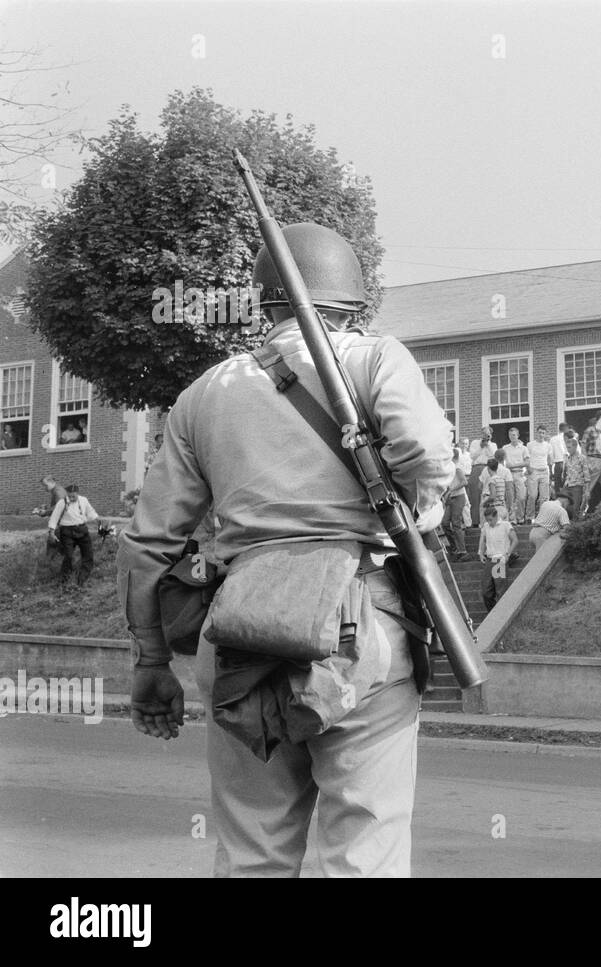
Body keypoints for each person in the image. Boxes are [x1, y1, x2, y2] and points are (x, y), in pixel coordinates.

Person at [120, 222, 454, 877]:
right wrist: (412, 506)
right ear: (354, 305)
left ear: (263, 304)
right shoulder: (374, 357)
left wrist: (150, 661)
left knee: (252, 856)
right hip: (360, 624)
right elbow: (426, 451)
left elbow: (145, 548)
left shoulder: (203, 394)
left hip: (241, 626)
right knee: (361, 855)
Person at [48, 483, 99, 586]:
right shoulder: (62, 503)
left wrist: (98, 521)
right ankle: (64, 579)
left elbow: (91, 512)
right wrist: (52, 532)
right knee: (69, 556)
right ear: (67, 494)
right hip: (67, 532)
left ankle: (82, 579)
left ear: (77, 493)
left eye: (73, 496)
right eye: (69, 496)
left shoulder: (84, 500)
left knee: (88, 555)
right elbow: (54, 517)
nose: (71, 498)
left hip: (82, 530)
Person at [478, 503, 517, 612]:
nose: (489, 522)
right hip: (490, 560)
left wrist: (508, 554)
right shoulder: (486, 526)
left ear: (496, 516)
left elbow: (515, 540)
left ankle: (500, 614)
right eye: (487, 520)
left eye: (490, 520)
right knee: (486, 591)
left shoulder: (505, 525)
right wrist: (481, 553)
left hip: (500, 560)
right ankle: (492, 612)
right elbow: (482, 539)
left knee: (500, 590)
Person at [442, 445, 469, 561]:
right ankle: (455, 548)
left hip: (459, 497)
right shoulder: (449, 468)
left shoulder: (457, 468)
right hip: (451, 497)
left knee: (456, 522)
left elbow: (464, 481)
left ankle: (463, 551)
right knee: (445, 523)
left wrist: (451, 490)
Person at [467, 426, 494, 526]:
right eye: (483, 433)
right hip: (476, 468)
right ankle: (475, 521)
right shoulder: (475, 443)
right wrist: (481, 447)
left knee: (487, 494)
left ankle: (487, 520)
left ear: (490, 435)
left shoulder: (493, 444)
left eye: (487, 434)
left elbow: (493, 456)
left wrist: (488, 445)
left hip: (488, 468)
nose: (485, 436)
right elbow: (472, 456)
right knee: (475, 495)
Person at [525, 424, 552, 520]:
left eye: (543, 433)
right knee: (532, 495)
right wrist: (528, 470)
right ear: (537, 433)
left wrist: (550, 472)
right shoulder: (530, 445)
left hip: (544, 471)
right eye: (540, 432)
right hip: (533, 471)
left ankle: (542, 517)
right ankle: (529, 517)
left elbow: (550, 460)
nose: (541, 435)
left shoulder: (548, 445)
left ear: (545, 434)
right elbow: (526, 459)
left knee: (544, 497)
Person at [560, 433, 592, 516]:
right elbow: (566, 474)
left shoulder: (582, 458)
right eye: (567, 448)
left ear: (575, 446)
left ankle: (574, 526)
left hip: (577, 487)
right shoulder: (567, 459)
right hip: (567, 486)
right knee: (562, 507)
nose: (568, 450)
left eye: (569, 448)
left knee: (575, 509)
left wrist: (587, 491)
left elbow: (587, 476)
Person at [501, 427, 528, 523]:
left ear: (518, 435)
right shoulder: (505, 448)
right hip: (508, 474)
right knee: (510, 497)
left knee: (521, 497)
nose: (512, 437)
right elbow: (501, 461)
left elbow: (527, 463)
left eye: (514, 435)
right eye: (510, 435)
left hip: (519, 473)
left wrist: (513, 465)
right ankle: (512, 519)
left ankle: (520, 518)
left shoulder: (523, 448)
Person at [549, 422, 570, 495]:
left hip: (557, 464)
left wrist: (551, 466)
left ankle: (558, 501)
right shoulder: (568, 438)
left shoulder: (553, 439)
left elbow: (551, 454)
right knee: (566, 484)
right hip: (567, 462)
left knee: (557, 484)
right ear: (566, 429)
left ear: (559, 429)